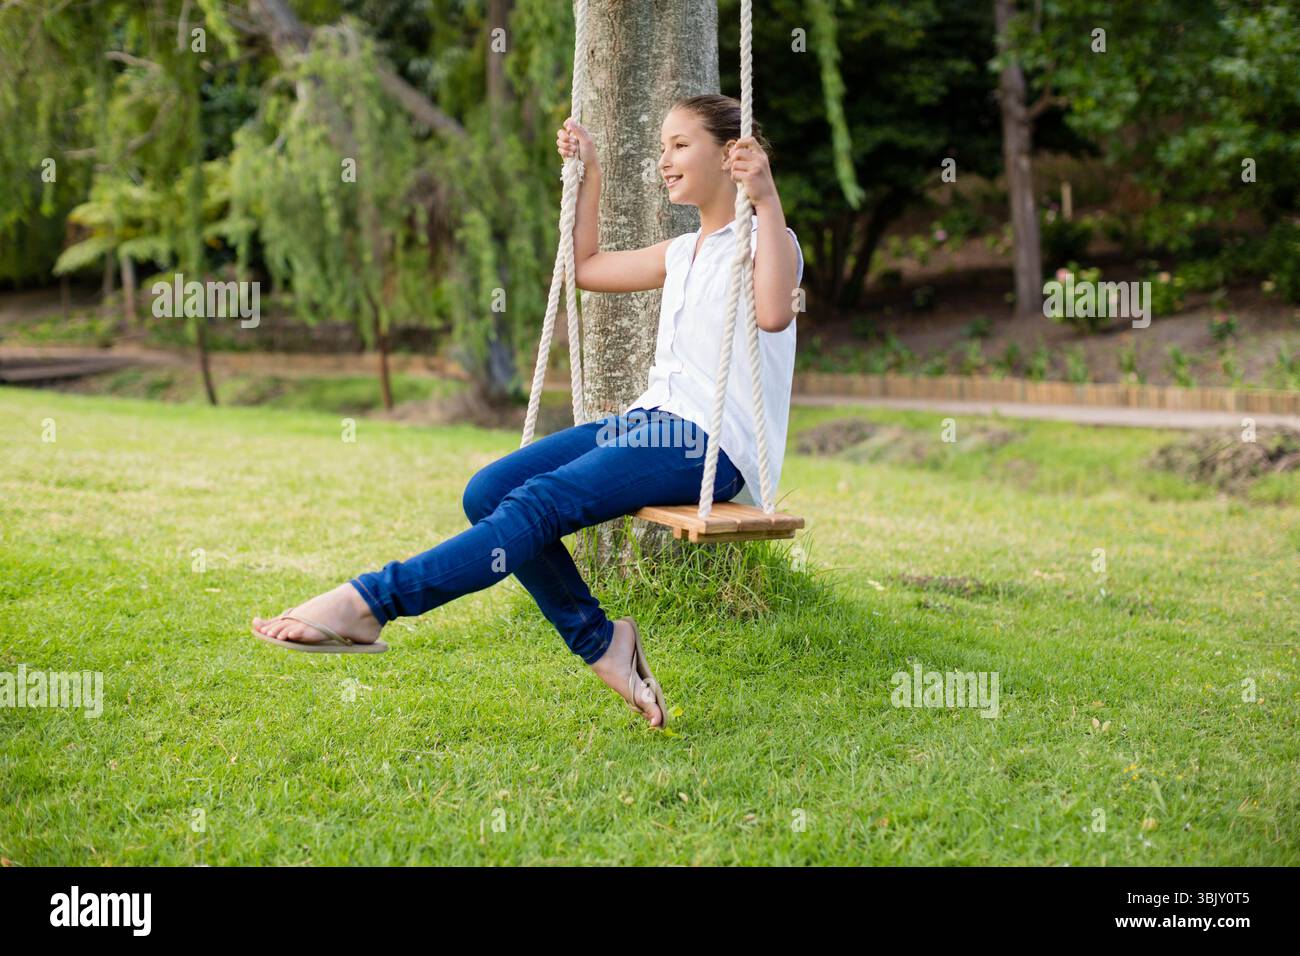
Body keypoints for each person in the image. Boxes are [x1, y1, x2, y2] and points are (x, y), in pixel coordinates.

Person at [251, 94, 805, 728]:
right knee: (490, 490)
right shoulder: (684, 252)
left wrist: (765, 197)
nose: (664, 160)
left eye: (680, 145)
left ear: (730, 153)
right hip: (651, 419)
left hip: (707, 444)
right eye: (662, 147)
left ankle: (370, 601)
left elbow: (773, 313)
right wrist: (589, 174)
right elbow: (585, 268)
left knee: (537, 504)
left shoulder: (770, 240)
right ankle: (603, 641)